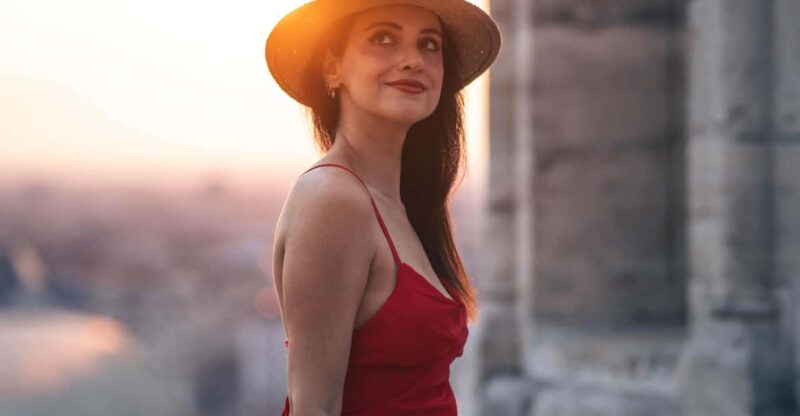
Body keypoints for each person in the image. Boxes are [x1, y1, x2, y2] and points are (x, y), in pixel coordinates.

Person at [265, 1, 501, 414]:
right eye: (383, 38)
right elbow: (313, 408)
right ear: (332, 68)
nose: (412, 60)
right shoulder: (333, 200)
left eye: (430, 45)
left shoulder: (401, 203)